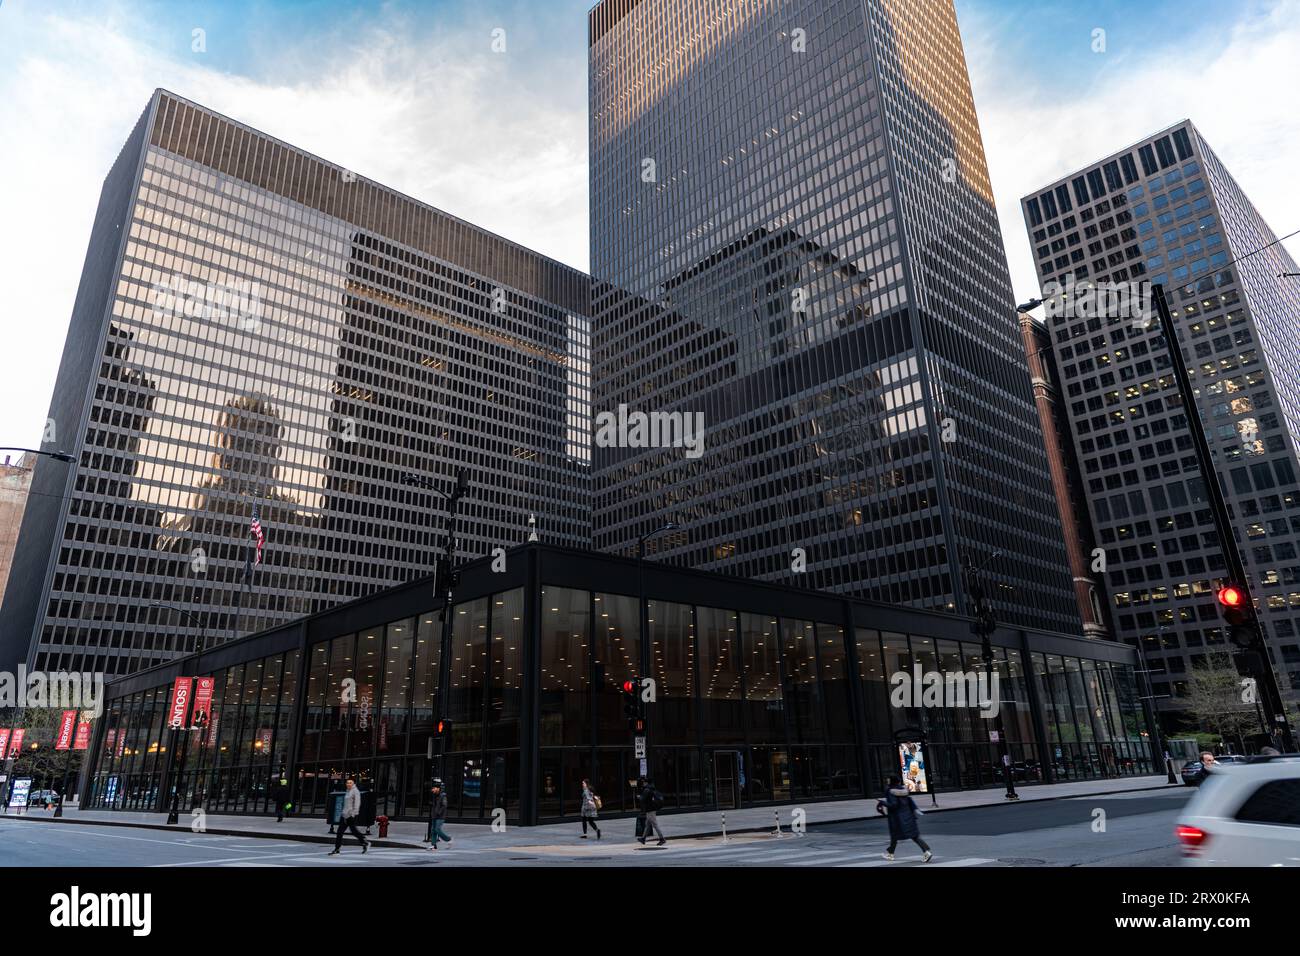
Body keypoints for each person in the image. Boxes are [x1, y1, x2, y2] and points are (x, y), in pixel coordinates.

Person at [876, 774, 932, 863]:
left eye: (888, 780)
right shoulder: (903, 790)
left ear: (891, 781)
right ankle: (891, 854)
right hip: (908, 816)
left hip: (896, 818)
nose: (887, 781)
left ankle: (926, 852)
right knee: (914, 836)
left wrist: (882, 802)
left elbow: (894, 805)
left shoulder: (891, 791)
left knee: (894, 835)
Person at [329, 778, 368, 855]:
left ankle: (364, 842)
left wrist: (353, 814)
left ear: (353, 784)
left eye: (350, 783)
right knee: (340, 832)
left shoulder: (355, 792)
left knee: (354, 831)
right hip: (344, 815)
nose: (348, 784)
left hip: (350, 815)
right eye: (347, 783)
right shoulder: (348, 791)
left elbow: (357, 804)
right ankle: (337, 849)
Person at [638, 777, 666, 846]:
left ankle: (662, 839)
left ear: (646, 782)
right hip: (651, 809)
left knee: (655, 825)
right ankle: (643, 838)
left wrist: (639, 797)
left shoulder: (647, 790)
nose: (643, 783)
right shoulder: (651, 788)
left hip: (650, 809)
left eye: (644, 782)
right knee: (647, 825)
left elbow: (642, 799)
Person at [426, 779, 451, 850]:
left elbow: (444, 805)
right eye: (432, 788)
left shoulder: (443, 796)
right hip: (434, 815)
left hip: (440, 816)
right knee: (433, 830)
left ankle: (448, 839)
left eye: (434, 788)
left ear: (438, 788)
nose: (432, 789)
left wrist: (438, 812)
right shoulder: (434, 796)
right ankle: (433, 845)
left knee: (437, 829)